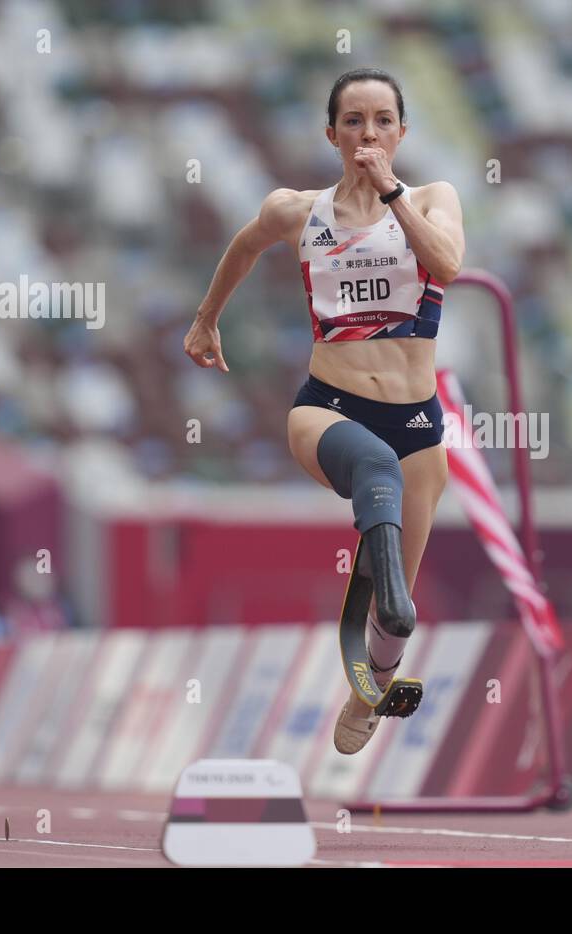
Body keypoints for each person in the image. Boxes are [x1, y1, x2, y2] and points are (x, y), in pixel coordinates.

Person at [184, 68, 463, 754]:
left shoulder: (430, 197)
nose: (368, 133)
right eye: (354, 121)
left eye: (382, 121)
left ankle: (374, 680)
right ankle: (394, 598)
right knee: (373, 465)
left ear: (401, 132)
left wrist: (392, 193)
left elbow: (448, 265)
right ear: (331, 133)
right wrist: (205, 320)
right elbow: (244, 246)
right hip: (328, 407)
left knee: (390, 626)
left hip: (417, 425)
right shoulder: (296, 210)